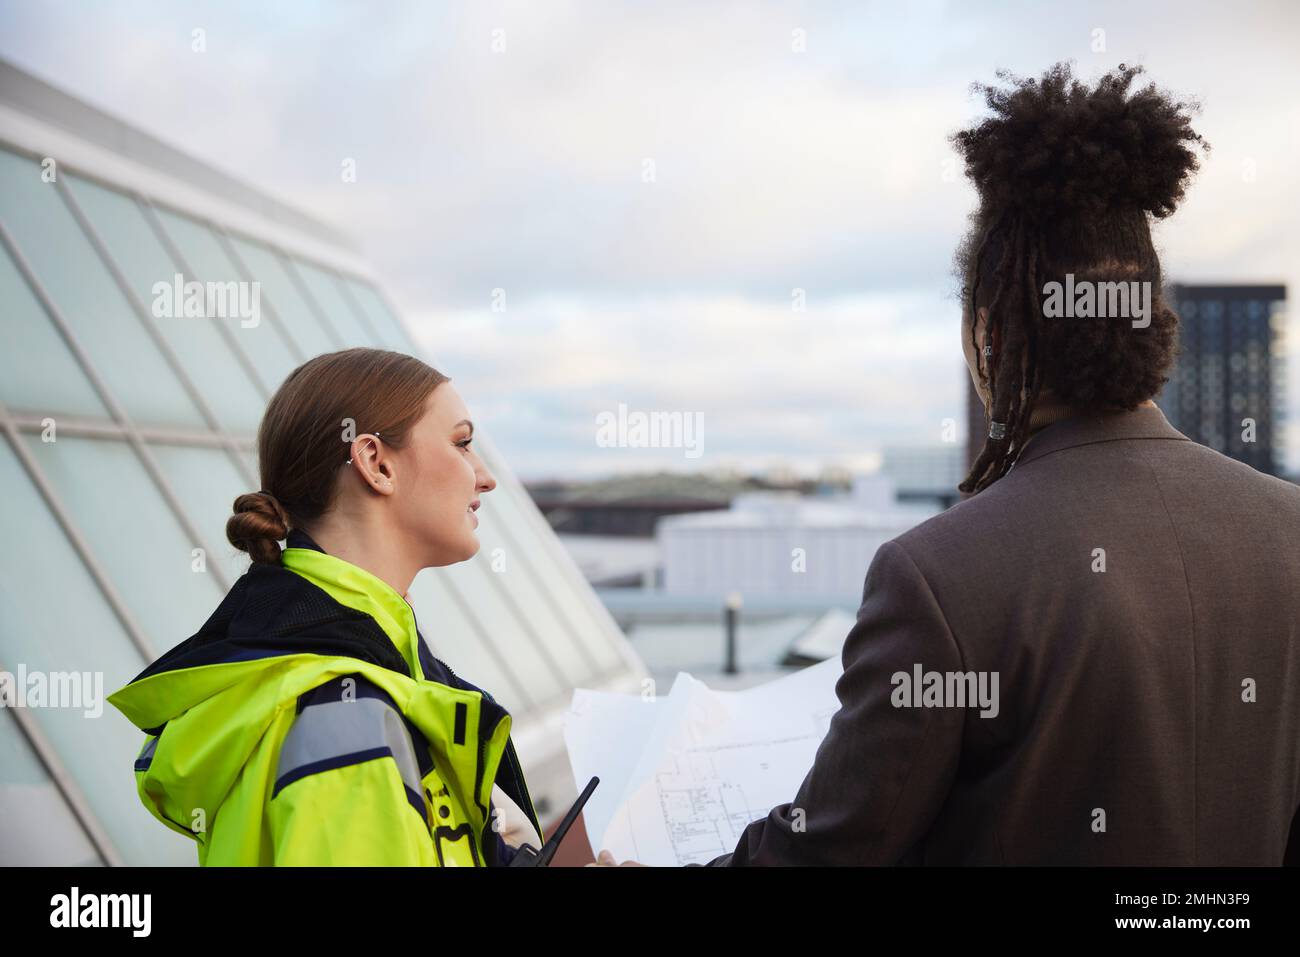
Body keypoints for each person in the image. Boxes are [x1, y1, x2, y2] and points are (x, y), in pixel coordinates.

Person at [597, 62, 1300, 866]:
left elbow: (828, 852)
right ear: (1152, 317)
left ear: (990, 336)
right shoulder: (1289, 529)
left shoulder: (938, 578)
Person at [109, 347, 542, 866]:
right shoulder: (344, 716)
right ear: (376, 464)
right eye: (462, 443)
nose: (485, 476)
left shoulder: (348, 674)